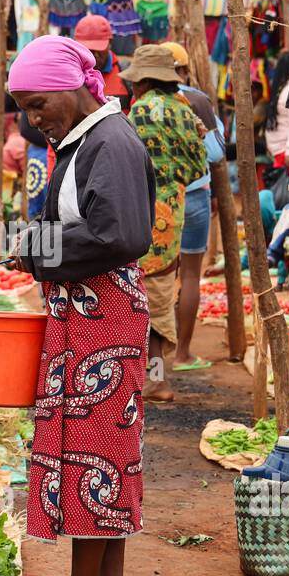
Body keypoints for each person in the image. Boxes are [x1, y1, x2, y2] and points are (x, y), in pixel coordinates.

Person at [5, 34, 154, 576]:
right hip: (89, 314)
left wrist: (36, 253)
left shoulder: (109, 142)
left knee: (93, 455)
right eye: (26, 108)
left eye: (39, 103)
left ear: (72, 87)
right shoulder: (83, 141)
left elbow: (119, 235)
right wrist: (26, 240)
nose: (34, 117)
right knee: (106, 456)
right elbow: (80, 223)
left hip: (103, 318)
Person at [120, 44, 207, 402]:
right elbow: (200, 164)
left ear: (143, 81)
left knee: (145, 297)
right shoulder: (186, 110)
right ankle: (151, 375)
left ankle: (154, 379)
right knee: (159, 292)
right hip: (175, 210)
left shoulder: (141, 110)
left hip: (143, 210)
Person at [164, 42, 226, 370]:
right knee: (190, 276)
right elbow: (216, 153)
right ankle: (183, 353)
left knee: (156, 277)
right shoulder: (198, 100)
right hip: (195, 195)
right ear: (186, 70)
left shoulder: (144, 101)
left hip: (157, 201)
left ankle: (153, 358)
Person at [72, 14, 129, 112]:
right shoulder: (69, 76)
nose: (94, 55)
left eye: (99, 48)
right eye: (89, 50)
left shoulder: (126, 73)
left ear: (110, 43)